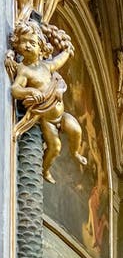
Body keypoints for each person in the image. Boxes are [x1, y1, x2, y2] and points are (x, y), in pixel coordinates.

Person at [7, 20, 87, 182]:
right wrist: (30, 91)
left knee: (77, 130)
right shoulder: (24, 70)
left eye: (32, 42)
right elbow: (15, 89)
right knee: (55, 147)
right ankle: (45, 170)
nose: (27, 46)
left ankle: (75, 152)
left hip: (61, 115)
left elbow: (59, 60)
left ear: (41, 47)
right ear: (17, 44)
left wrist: (67, 50)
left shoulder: (46, 66)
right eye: (23, 42)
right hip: (46, 119)